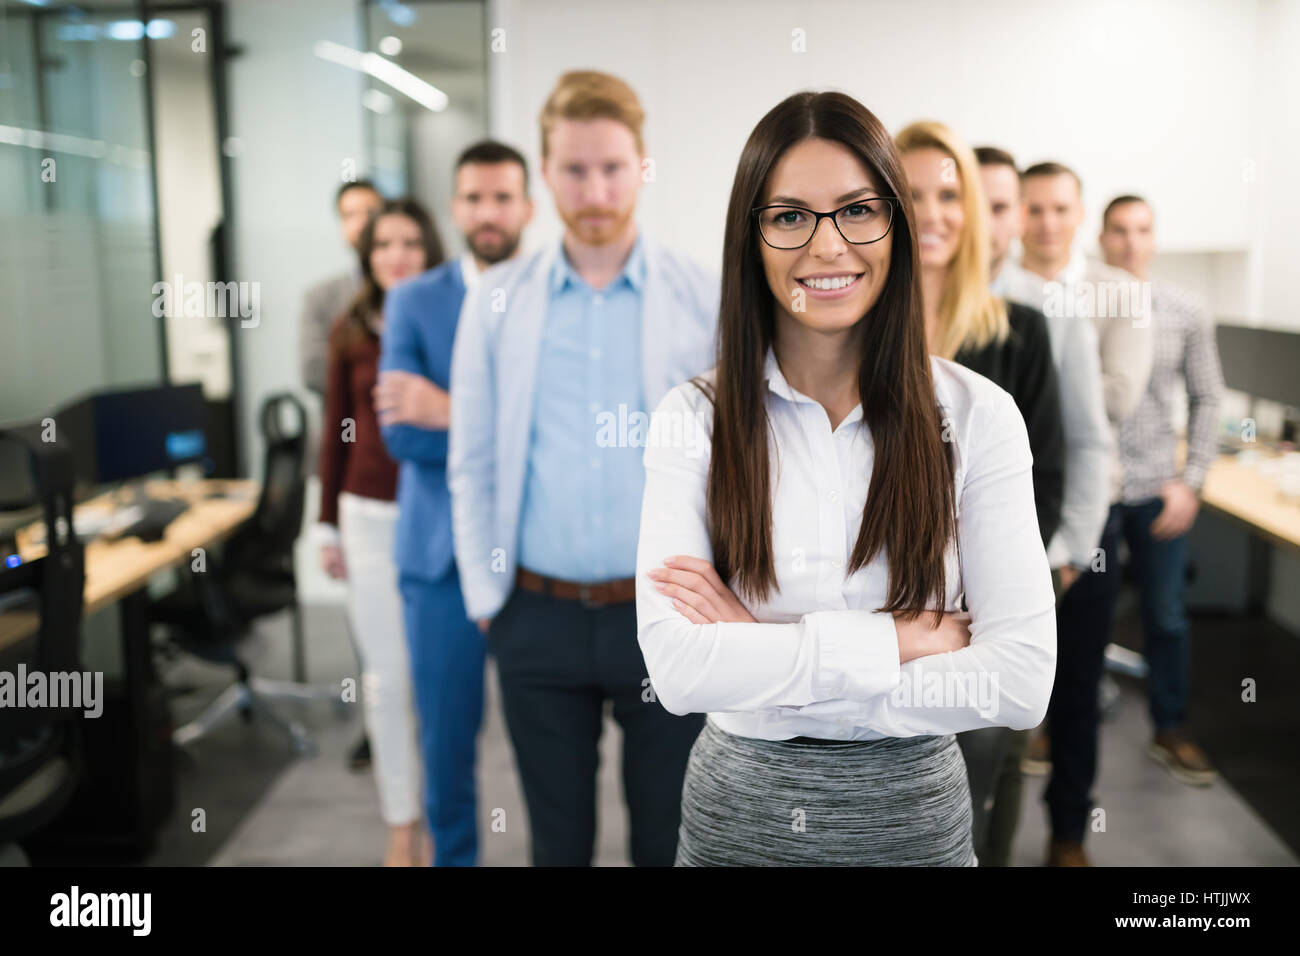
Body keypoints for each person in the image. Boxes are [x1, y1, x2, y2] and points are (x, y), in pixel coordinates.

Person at [636, 90, 1056, 866]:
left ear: (895, 225)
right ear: (751, 238)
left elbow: (1021, 681)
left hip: (913, 827)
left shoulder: (978, 416)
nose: (828, 245)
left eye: (858, 210)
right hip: (739, 826)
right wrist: (902, 642)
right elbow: (679, 669)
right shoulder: (690, 418)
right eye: (790, 215)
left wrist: (759, 648)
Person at [449, 70, 717, 867]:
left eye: (612, 167)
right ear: (545, 173)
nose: (595, 188)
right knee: (556, 845)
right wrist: (485, 595)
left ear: (641, 166)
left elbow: (741, 451)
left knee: (667, 843)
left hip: (665, 611)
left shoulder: (702, 294)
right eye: (574, 169)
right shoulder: (496, 299)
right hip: (536, 614)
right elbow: (471, 458)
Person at [897, 122, 1065, 866]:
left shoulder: (1019, 334)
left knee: (977, 813)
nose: (930, 213)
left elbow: (1047, 480)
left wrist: (982, 601)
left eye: (947, 194)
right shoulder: (845, 336)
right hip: (883, 632)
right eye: (908, 194)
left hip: (980, 626)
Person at [375, 140, 534, 867]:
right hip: (438, 558)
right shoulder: (414, 299)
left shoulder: (554, 293)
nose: (489, 212)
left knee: (552, 750)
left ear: (527, 207)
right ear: (454, 207)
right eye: (474, 198)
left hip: (538, 559)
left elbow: (559, 438)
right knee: (446, 741)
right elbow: (401, 433)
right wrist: (503, 423)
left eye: (503, 197)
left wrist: (456, 411)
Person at [1002, 162, 1155, 866]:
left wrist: (1040, 359)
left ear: (1079, 213)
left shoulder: (1118, 294)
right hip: (1008, 511)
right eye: (1033, 209)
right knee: (996, 683)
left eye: (1060, 209)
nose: (1046, 223)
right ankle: (989, 829)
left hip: (1092, 518)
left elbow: (1118, 399)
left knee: (1077, 685)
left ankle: (1068, 832)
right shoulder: (992, 287)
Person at [974, 145, 1113, 865]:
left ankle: (1066, 837)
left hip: (1054, 549)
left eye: (1005, 208)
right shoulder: (924, 301)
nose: (997, 224)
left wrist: (1062, 559)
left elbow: (1087, 446)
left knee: (1062, 701)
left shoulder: (1047, 315)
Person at [316, 198, 444, 866]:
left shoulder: (451, 317)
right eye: (384, 243)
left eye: (410, 243)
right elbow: (333, 430)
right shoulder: (350, 327)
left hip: (438, 516)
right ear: (367, 255)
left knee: (438, 684)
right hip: (366, 516)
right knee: (386, 680)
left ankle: (446, 816)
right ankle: (402, 824)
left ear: (430, 251)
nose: (396, 255)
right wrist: (325, 525)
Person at [1097, 195, 1223, 784]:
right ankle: (1046, 727)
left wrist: (1191, 482)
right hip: (1092, 491)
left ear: (1154, 237)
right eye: (1118, 231)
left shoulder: (1184, 309)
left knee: (1166, 616)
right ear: (1101, 237)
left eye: (1142, 230)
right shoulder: (1079, 303)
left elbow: (1208, 398)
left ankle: (1169, 728)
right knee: (1071, 617)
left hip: (1155, 489)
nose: (1130, 242)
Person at [301, 178, 384, 774]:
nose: (360, 223)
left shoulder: (419, 288)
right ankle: (373, 728)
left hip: (407, 480)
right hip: (353, 461)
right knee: (369, 621)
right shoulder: (325, 297)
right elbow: (313, 371)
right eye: (349, 214)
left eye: (369, 212)